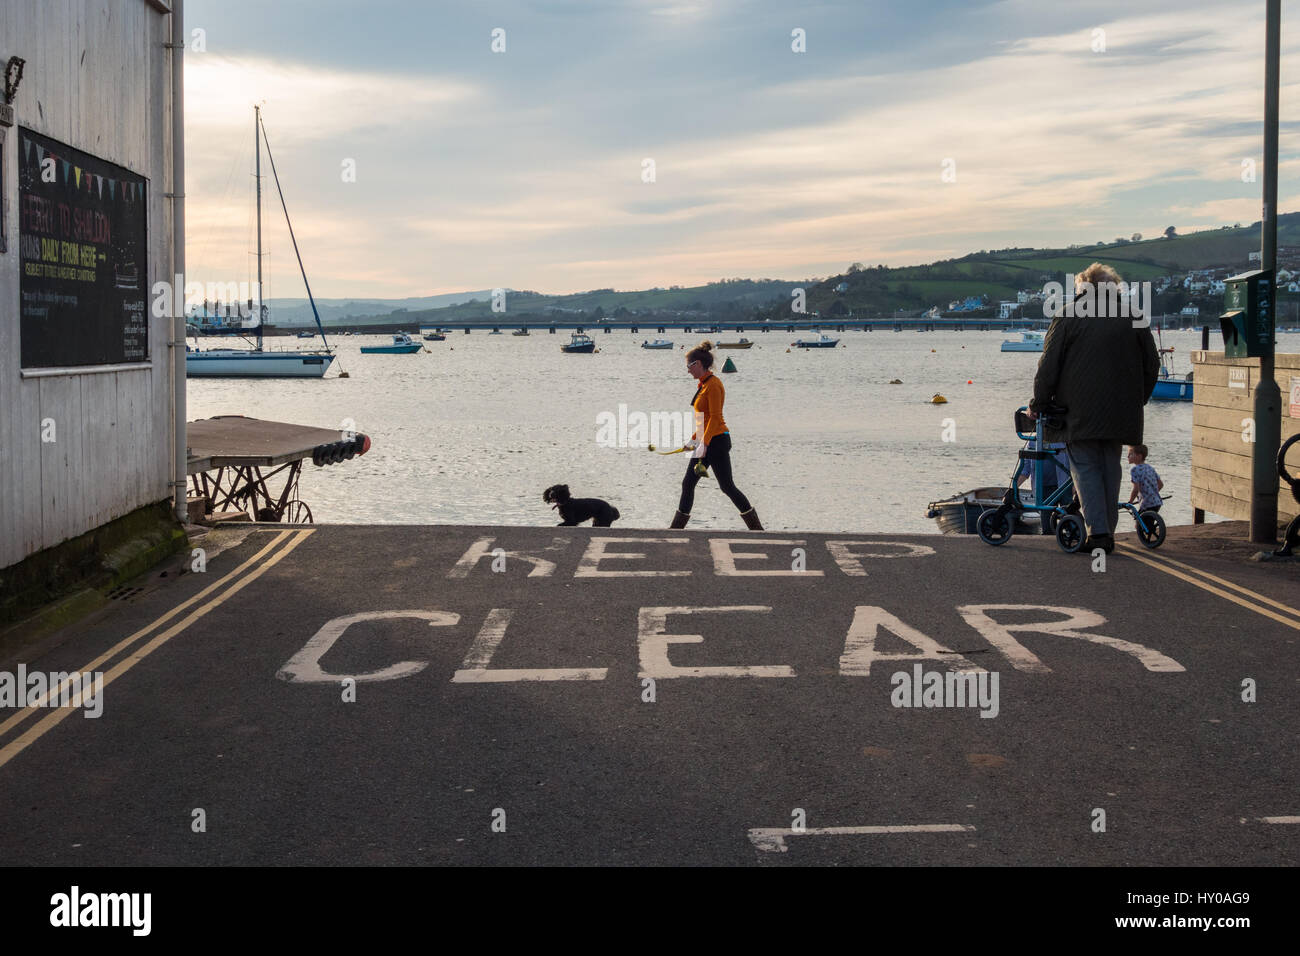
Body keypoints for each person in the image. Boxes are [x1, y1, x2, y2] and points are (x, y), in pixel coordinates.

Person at [1030, 263, 1160, 553]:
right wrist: (1138, 399)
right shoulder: (1134, 315)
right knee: (1110, 468)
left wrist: (1038, 403)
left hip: (1077, 412)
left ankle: (1099, 533)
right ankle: (1106, 532)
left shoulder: (1067, 315)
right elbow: (1152, 365)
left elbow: (1048, 366)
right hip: (1120, 413)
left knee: (1086, 468)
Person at [670, 341, 762, 529]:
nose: (687, 370)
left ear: (698, 364)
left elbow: (715, 417)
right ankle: (676, 529)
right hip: (708, 439)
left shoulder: (714, 385)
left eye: (689, 365)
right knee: (698, 484)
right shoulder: (703, 385)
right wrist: (693, 440)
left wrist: (703, 444)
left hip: (716, 441)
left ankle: (756, 528)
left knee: (719, 486)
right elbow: (704, 420)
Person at [1126, 445, 1164, 512]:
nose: (1128, 456)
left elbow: (1136, 489)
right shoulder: (1149, 467)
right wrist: (1152, 494)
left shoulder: (1135, 470)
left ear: (1139, 456)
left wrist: (1130, 502)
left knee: (1139, 521)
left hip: (1147, 504)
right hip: (1157, 502)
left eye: (1130, 454)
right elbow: (1160, 484)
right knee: (1148, 522)